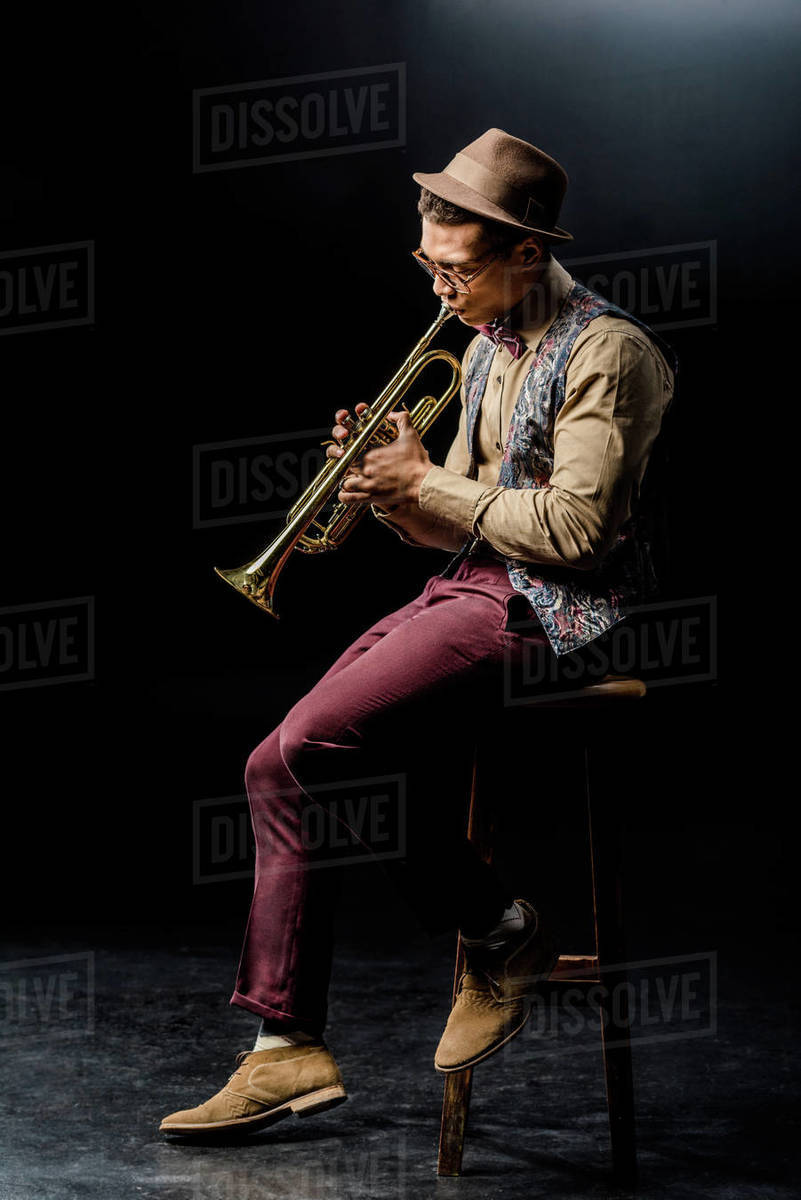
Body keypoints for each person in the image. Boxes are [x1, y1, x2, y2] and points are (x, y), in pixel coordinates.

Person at [160, 127, 676, 1136]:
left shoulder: (611, 351)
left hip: (565, 615)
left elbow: (572, 532)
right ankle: (288, 1044)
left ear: (527, 251)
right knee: (278, 760)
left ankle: (498, 934)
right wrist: (389, 492)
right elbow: (460, 517)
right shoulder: (485, 347)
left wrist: (429, 484)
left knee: (309, 746)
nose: (440, 289)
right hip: (474, 589)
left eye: (456, 269)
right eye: (426, 266)